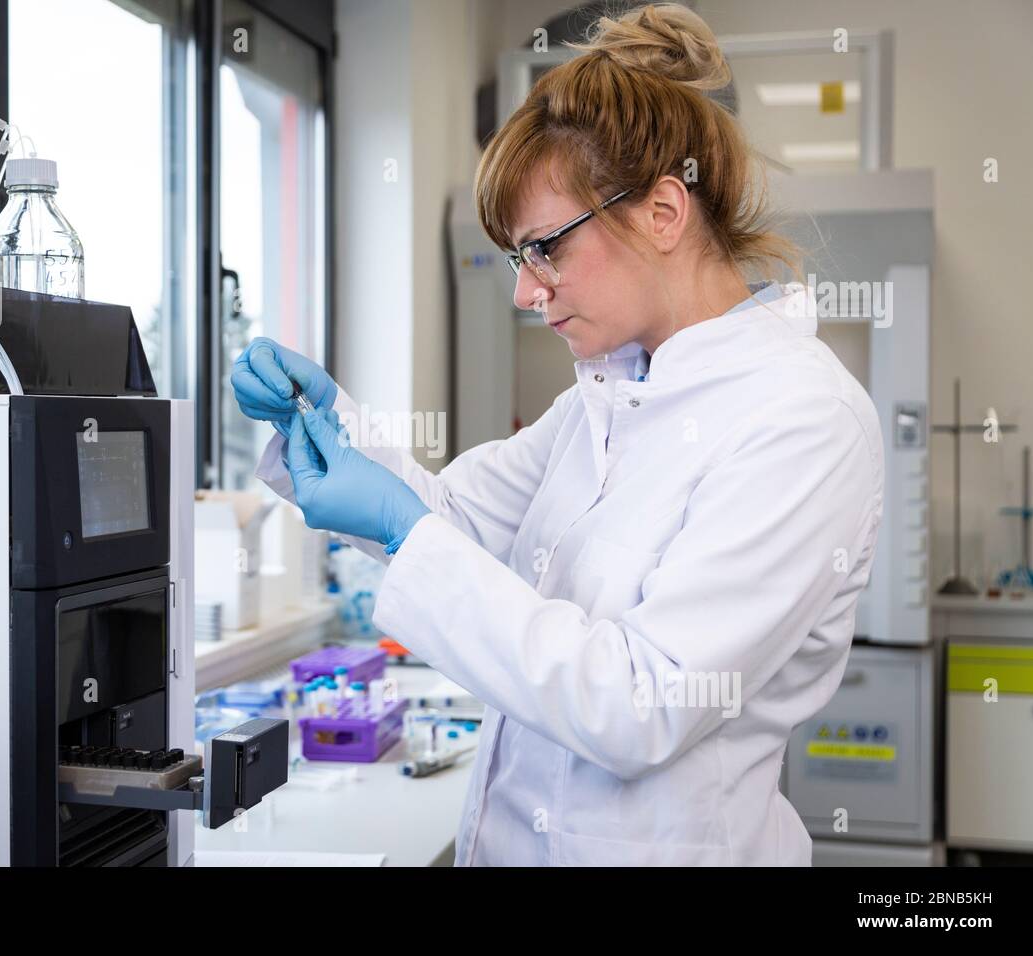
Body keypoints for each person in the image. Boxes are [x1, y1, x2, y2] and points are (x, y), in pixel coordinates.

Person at [231, 3, 882, 866]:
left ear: (662, 212)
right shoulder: (606, 396)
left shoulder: (802, 420)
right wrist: (330, 431)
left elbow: (642, 704)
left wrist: (402, 525)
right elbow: (448, 519)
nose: (525, 293)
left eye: (545, 249)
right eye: (516, 258)